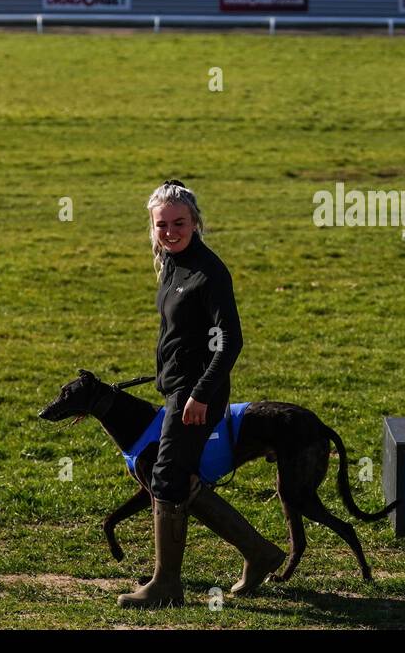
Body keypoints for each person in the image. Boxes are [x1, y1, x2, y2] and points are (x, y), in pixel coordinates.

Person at [118, 179, 284, 608]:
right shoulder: (172, 263)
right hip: (178, 392)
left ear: (195, 222)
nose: (170, 231)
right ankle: (259, 552)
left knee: (167, 479)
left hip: (196, 399)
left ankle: (166, 585)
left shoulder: (208, 271)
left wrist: (201, 394)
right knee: (175, 479)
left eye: (179, 223)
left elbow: (230, 340)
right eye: (162, 224)